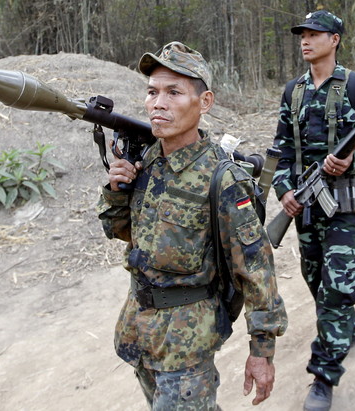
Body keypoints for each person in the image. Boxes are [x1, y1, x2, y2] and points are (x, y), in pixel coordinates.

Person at [97, 42, 287, 410]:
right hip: (140, 329)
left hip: (186, 345)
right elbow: (125, 233)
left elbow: (256, 268)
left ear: (205, 102)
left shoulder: (222, 178)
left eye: (174, 92)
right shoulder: (148, 161)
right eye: (152, 92)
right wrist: (116, 190)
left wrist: (262, 351)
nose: (158, 103)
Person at [272, 10, 355, 411]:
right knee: (315, 279)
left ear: (334, 39)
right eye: (302, 34)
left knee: (337, 284)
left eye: (314, 34)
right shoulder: (293, 91)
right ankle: (346, 323)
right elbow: (281, 150)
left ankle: (324, 374)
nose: (305, 40)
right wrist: (284, 191)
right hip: (306, 205)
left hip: (344, 203)